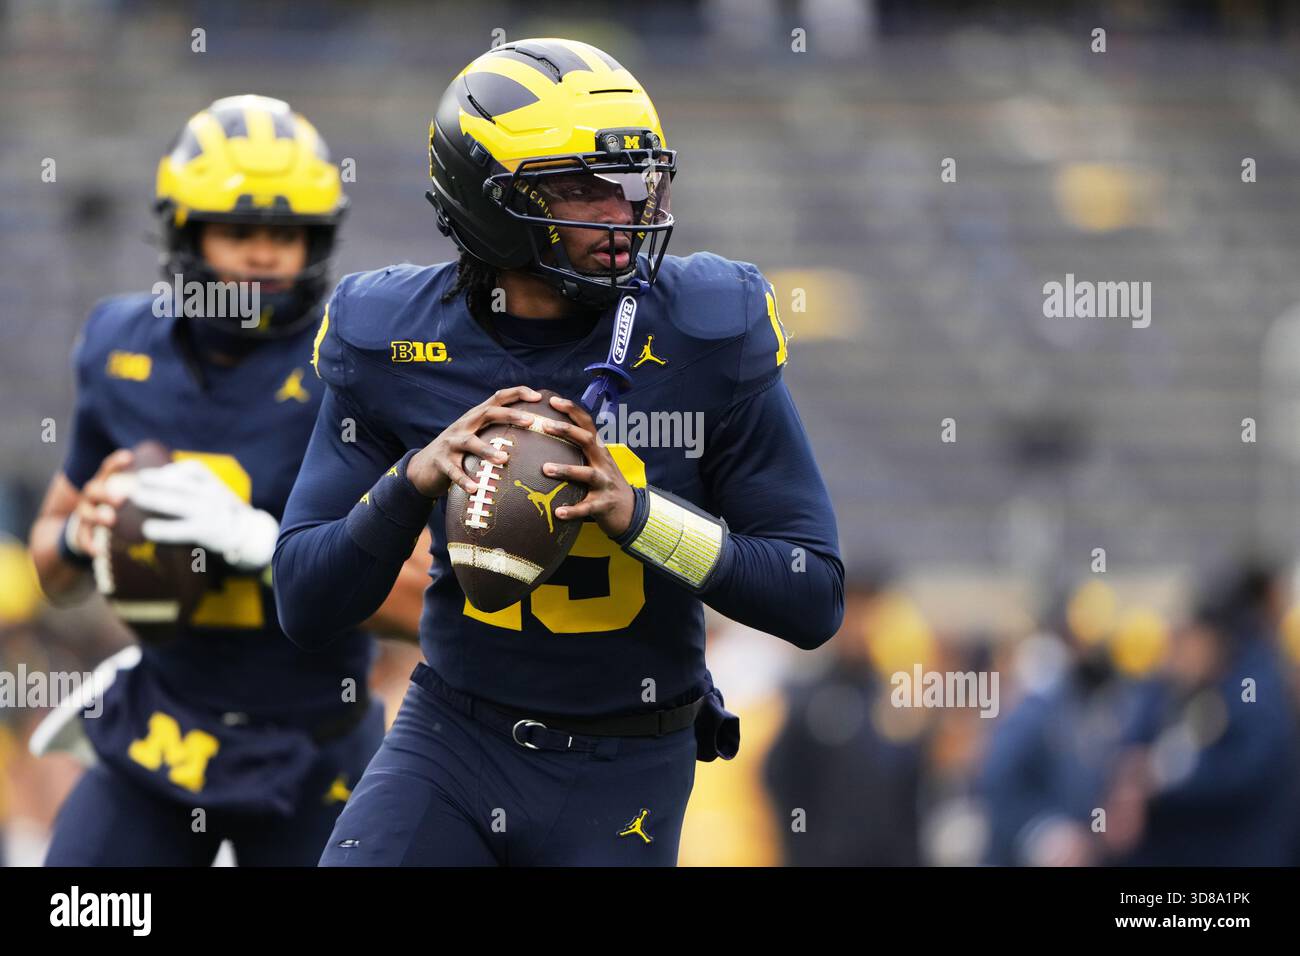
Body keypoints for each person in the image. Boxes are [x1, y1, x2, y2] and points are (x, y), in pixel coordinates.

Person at [273, 38, 844, 866]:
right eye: (583, 188)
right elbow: (303, 599)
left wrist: (640, 520)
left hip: (630, 760)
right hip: (453, 739)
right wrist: (410, 482)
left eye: (634, 182)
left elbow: (813, 592)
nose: (623, 216)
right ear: (486, 198)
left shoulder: (709, 329)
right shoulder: (388, 339)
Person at [27, 95, 424, 866]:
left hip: (317, 744)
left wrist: (265, 546)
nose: (265, 256)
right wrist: (85, 531)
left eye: (287, 233)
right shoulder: (117, 345)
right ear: (184, 231)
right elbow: (51, 567)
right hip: (164, 732)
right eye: (239, 230)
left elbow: (427, 603)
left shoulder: (354, 366)